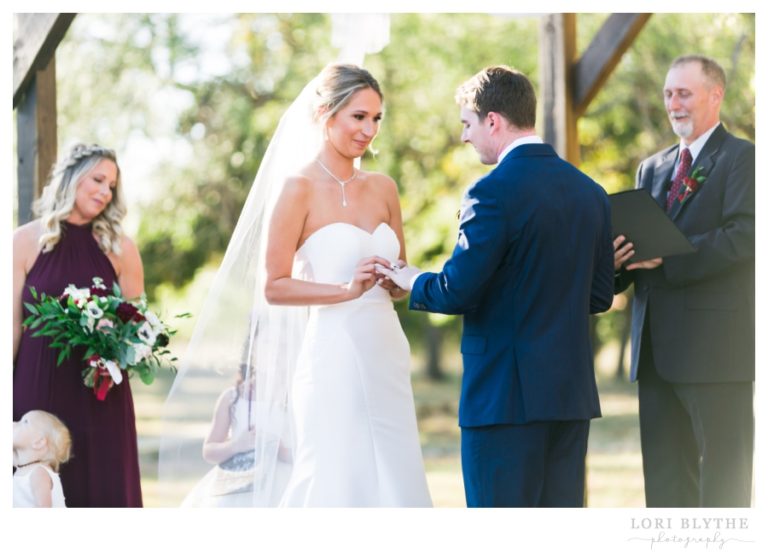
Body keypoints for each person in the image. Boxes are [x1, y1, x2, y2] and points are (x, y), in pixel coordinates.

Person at [382, 65, 614, 507]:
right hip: (569, 400)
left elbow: (456, 291)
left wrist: (411, 279)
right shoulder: (591, 193)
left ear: (493, 120)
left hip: (503, 402)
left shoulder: (490, 193)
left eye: (467, 124)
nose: (465, 137)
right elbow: (600, 296)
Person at [263, 63, 431, 507]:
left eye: (376, 118)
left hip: (386, 346)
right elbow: (274, 286)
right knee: (337, 469)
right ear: (326, 114)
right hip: (333, 351)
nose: (369, 129)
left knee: (396, 467)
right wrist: (345, 291)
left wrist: (398, 282)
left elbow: (402, 274)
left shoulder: (384, 187)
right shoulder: (297, 188)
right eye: (359, 116)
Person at [613, 55, 754, 507]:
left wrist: (667, 259)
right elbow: (638, 242)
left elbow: (746, 236)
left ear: (716, 95)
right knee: (665, 480)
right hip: (654, 350)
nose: (674, 103)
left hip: (716, 351)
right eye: (669, 93)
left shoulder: (744, 159)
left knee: (723, 480)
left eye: (684, 93)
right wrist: (618, 260)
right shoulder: (651, 168)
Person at [13, 143, 145, 507]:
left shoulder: (120, 247)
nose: (105, 192)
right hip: (38, 386)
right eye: (98, 180)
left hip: (99, 393)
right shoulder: (24, 241)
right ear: (70, 179)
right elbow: (11, 326)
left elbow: (138, 324)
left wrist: (116, 338)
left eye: (112, 186)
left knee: (102, 485)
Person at [181, 363, 292, 507]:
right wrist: (237, 445)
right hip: (238, 482)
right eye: (265, 343)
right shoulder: (233, 397)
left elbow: (309, 452)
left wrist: (280, 449)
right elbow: (209, 451)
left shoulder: (293, 395)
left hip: (282, 484)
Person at [13, 410, 72, 508]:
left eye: (25, 422)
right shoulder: (23, 466)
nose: (14, 422)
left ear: (39, 442)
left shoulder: (39, 474)